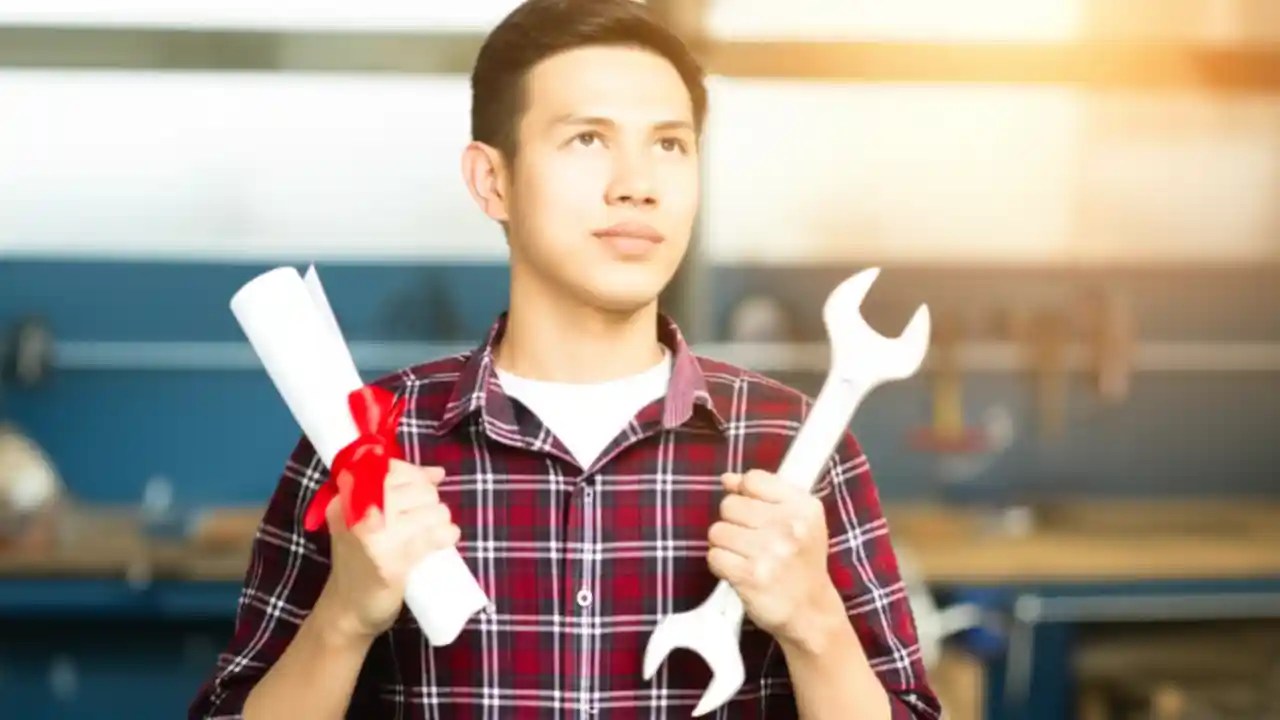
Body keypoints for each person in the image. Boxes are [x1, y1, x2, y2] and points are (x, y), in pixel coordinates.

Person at [189, 0, 942, 717]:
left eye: (670, 145)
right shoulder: (367, 450)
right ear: (494, 180)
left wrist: (817, 625)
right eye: (588, 139)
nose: (638, 186)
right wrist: (343, 619)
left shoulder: (797, 450)